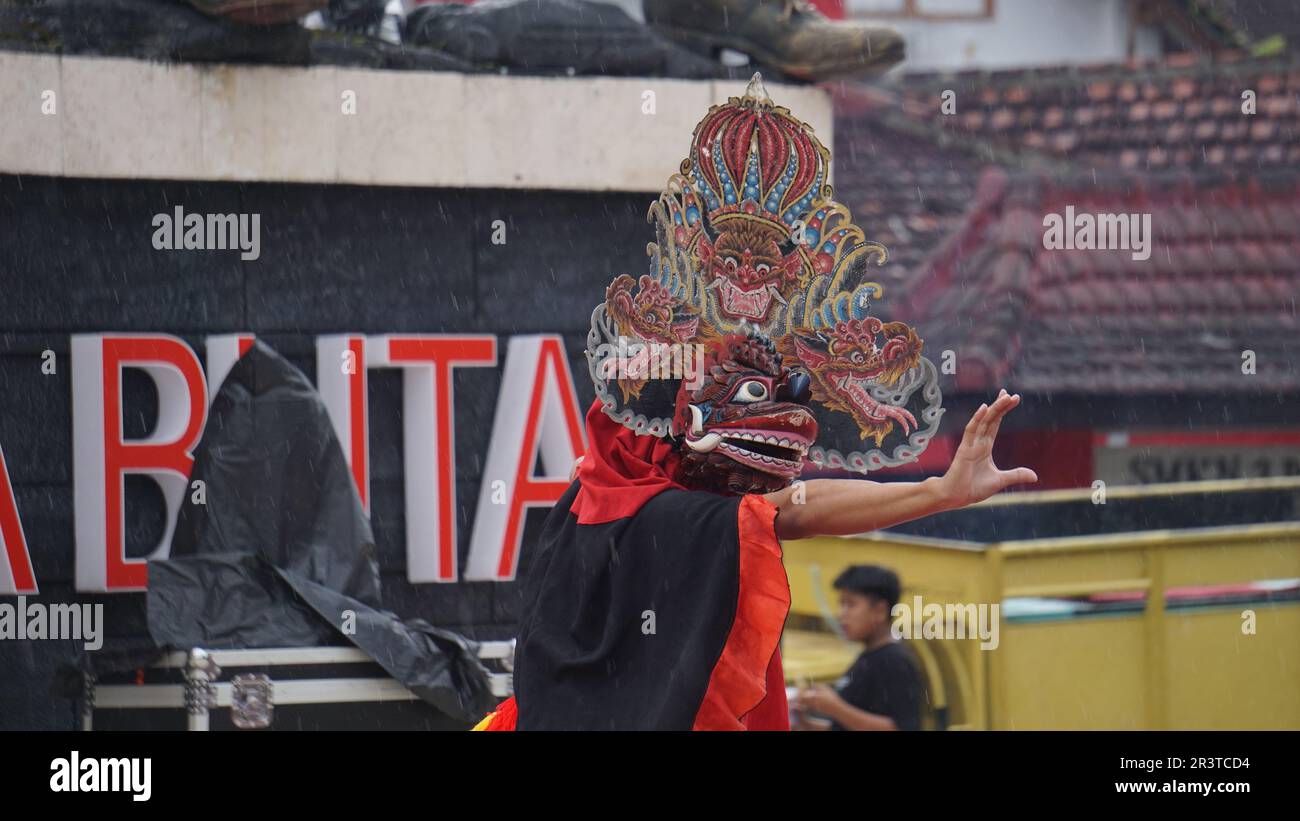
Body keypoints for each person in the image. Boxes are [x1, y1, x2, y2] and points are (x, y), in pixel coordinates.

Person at [473, 73, 1036, 731]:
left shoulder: (668, 513)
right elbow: (789, 510)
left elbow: (786, 496)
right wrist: (937, 491)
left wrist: (935, 488)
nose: (748, 284)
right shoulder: (648, 509)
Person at [793, 565, 922, 731]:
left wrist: (835, 707)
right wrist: (807, 725)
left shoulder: (895, 662)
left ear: (880, 611)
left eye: (851, 605)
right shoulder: (868, 657)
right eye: (841, 604)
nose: (842, 614)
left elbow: (900, 727)